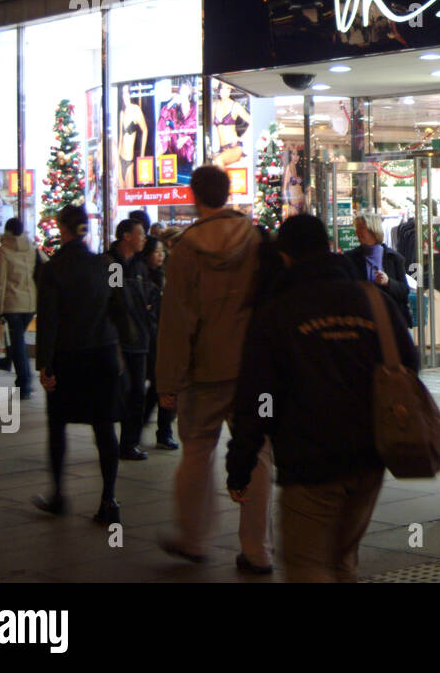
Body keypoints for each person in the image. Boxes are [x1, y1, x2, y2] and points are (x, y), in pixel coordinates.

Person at [226, 214, 421, 581]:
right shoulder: (370, 301)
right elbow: (408, 364)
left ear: (285, 256)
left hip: (309, 461)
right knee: (343, 561)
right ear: (328, 247)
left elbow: (258, 396)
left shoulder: (278, 312)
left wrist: (240, 463)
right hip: (368, 460)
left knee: (308, 565)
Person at [157, 165, 273, 573]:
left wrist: (168, 379)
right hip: (250, 368)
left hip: (204, 369)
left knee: (196, 452)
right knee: (257, 452)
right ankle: (256, 548)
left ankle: (193, 538)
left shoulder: (186, 248)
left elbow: (177, 319)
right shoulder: (256, 240)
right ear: (227, 193)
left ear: (194, 195)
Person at [32, 205, 132, 525]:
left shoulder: (53, 268)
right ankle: (109, 499)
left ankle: (60, 494)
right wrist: (124, 351)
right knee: (104, 428)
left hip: (68, 356)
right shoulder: (108, 264)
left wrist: (45, 364)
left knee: (57, 425)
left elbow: (48, 320)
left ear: (62, 228)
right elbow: (123, 310)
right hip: (101, 355)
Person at [108, 218, 154, 461]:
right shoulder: (112, 265)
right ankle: (115, 442)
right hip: (118, 339)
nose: (144, 237)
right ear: (126, 236)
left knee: (137, 392)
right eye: (140, 233)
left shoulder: (139, 265)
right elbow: (115, 300)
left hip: (139, 338)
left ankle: (129, 443)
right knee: (119, 391)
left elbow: (145, 296)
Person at [0, 217, 42, 398]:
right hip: (30, 305)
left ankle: (24, 384)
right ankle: (25, 381)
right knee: (18, 341)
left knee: (17, 344)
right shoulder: (32, 248)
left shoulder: (3, 251)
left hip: (11, 305)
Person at [140, 235, 178, 450]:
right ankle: (159, 430)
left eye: (162, 251)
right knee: (160, 384)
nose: (161, 255)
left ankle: (160, 430)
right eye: (156, 251)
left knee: (161, 385)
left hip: (164, 336)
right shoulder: (139, 274)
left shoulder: (165, 275)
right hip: (150, 338)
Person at [346, 212, 412, 327]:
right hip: (362, 321)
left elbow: (404, 292)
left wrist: (388, 282)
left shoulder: (394, 258)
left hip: (390, 320)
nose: (358, 232)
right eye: (356, 228)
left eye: (362, 228)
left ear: (373, 229)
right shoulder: (350, 258)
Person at [211, 83, 251, 168]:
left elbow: (252, 121)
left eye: (228, 89)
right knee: (211, 164)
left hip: (235, 147)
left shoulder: (235, 106)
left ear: (230, 91)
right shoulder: (215, 105)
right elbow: (209, 125)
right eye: (223, 88)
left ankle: (224, 182)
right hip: (221, 149)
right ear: (219, 90)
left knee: (218, 160)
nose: (225, 91)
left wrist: (242, 137)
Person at [119, 83, 150, 189]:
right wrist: (116, 160)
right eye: (123, 93)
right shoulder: (122, 113)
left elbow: (145, 130)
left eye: (127, 92)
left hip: (129, 161)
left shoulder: (136, 110)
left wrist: (142, 155)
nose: (125, 95)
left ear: (130, 94)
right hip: (120, 159)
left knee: (130, 198)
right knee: (121, 199)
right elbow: (120, 137)